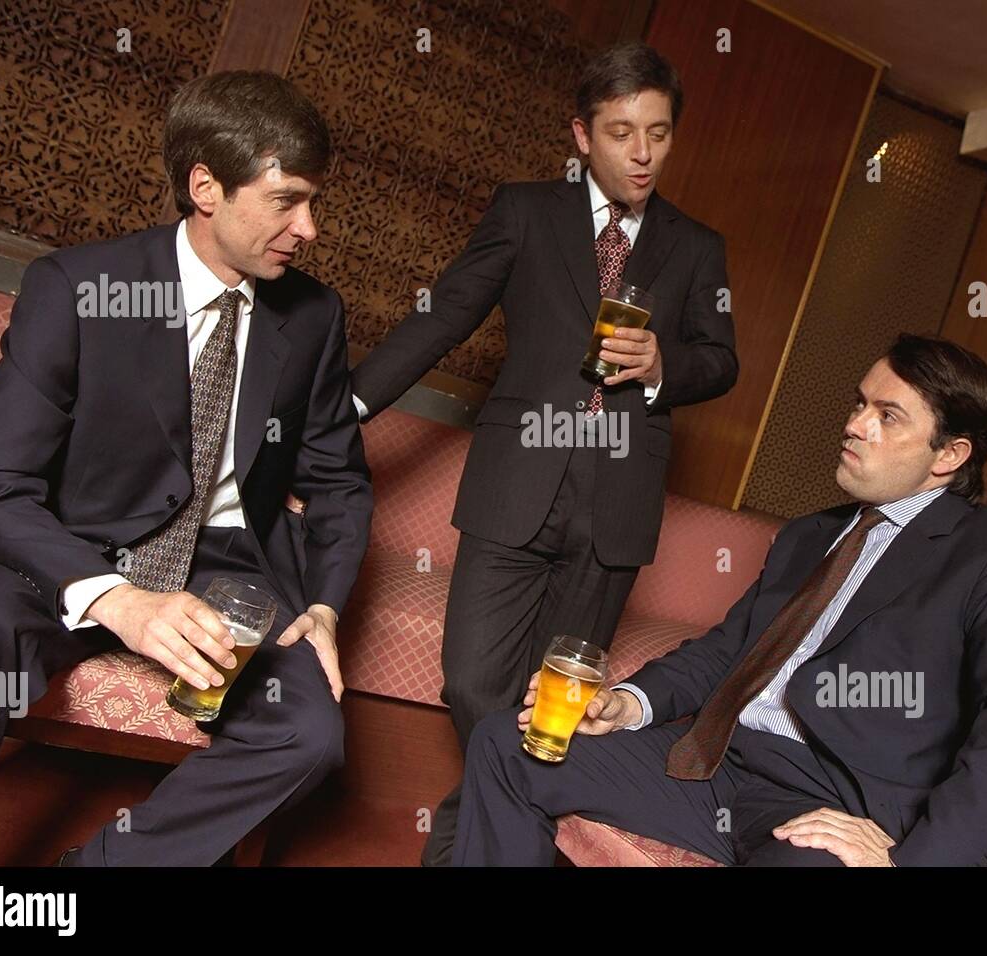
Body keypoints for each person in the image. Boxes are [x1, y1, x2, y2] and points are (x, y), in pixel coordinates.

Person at [0, 71, 371, 866]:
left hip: (229, 569)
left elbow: (339, 481)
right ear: (207, 186)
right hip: (73, 547)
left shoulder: (313, 316)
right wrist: (120, 601)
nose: (309, 227)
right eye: (287, 201)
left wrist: (328, 611)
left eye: (315, 201)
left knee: (309, 733)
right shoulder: (77, 287)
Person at [453, 334, 987, 867]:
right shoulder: (811, 533)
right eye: (860, 404)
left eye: (888, 416)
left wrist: (914, 862)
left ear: (950, 455)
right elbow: (729, 649)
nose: (855, 425)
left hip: (830, 804)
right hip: (713, 761)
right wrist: (628, 704)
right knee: (506, 744)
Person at [350, 42, 738, 865]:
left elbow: (723, 358)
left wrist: (668, 365)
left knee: (551, 713)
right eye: (621, 132)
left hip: (618, 508)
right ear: (581, 134)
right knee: (474, 684)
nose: (642, 153)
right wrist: (345, 406)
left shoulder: (697, 246)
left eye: (659, 134)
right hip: (515, 487)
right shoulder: (525, 210)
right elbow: (446, 312)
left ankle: (463, 855)